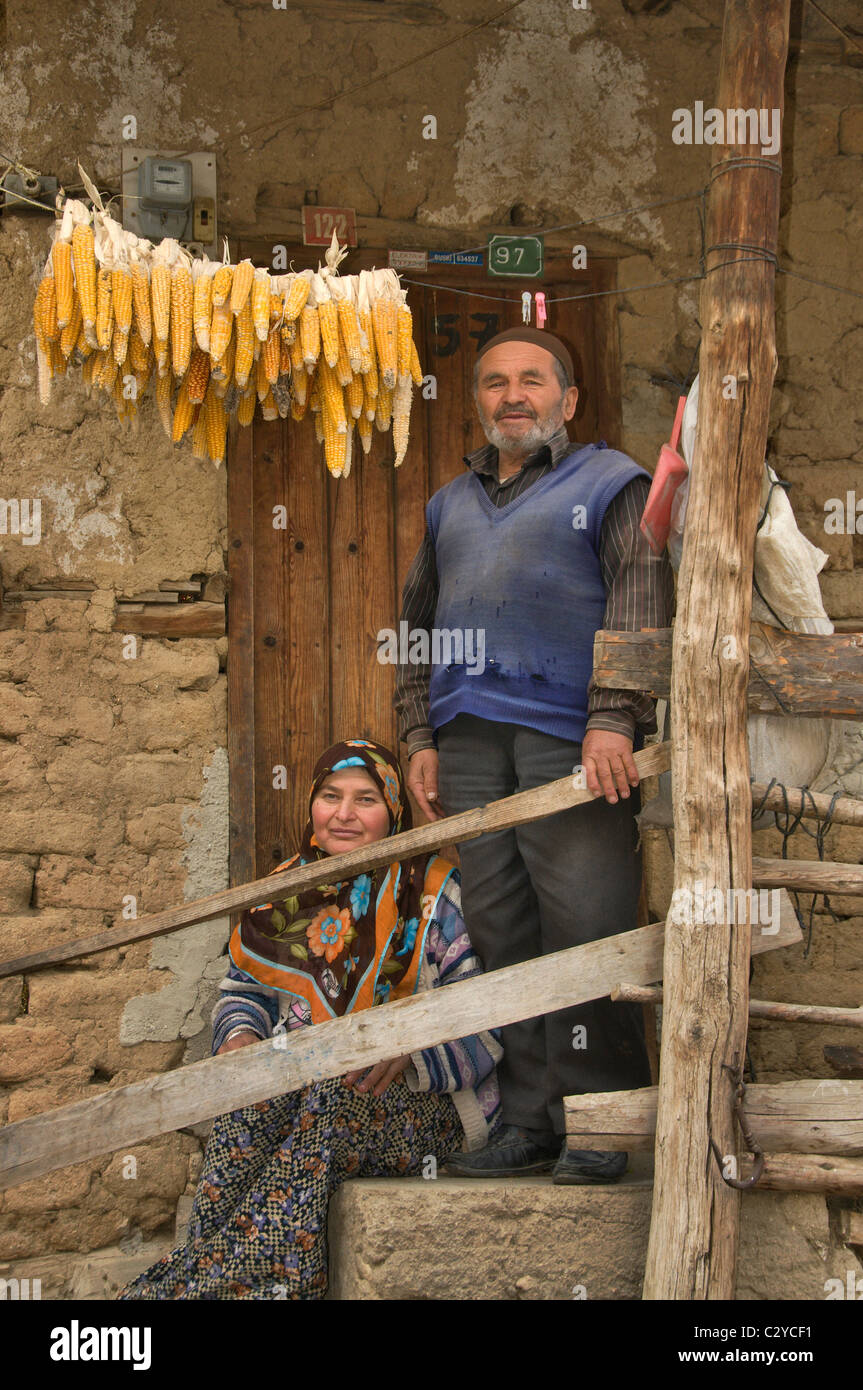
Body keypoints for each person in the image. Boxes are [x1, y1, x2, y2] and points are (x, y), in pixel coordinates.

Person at [395, 327, 674, 1183]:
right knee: (503, 932)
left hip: (572, 737)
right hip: (469, 738)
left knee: (586, 929)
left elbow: (637, 596)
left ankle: (603, 1126)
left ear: (568, 399)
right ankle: (530, 1124)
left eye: (531, 380)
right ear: (477, 400)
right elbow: (417, 625)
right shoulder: (449, 503)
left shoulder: (611, 483)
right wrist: (417, 735)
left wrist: (615, 717)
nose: (511, 396)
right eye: (493, 383)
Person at [118, 739, 501, 1300]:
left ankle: (177, 1294)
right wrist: (242, 1038)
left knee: (331, 1095)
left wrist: (411, 1051)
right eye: (330, 796)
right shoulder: (284, 892)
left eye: (365, 799)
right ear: (312, 807)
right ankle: (226, 1285)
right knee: (246, 1109)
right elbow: (242, 991)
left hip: (421, 1104)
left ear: (393, 813)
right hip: (297, 1085)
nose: (344, 815)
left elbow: (487, 1019)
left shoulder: (433, 888)